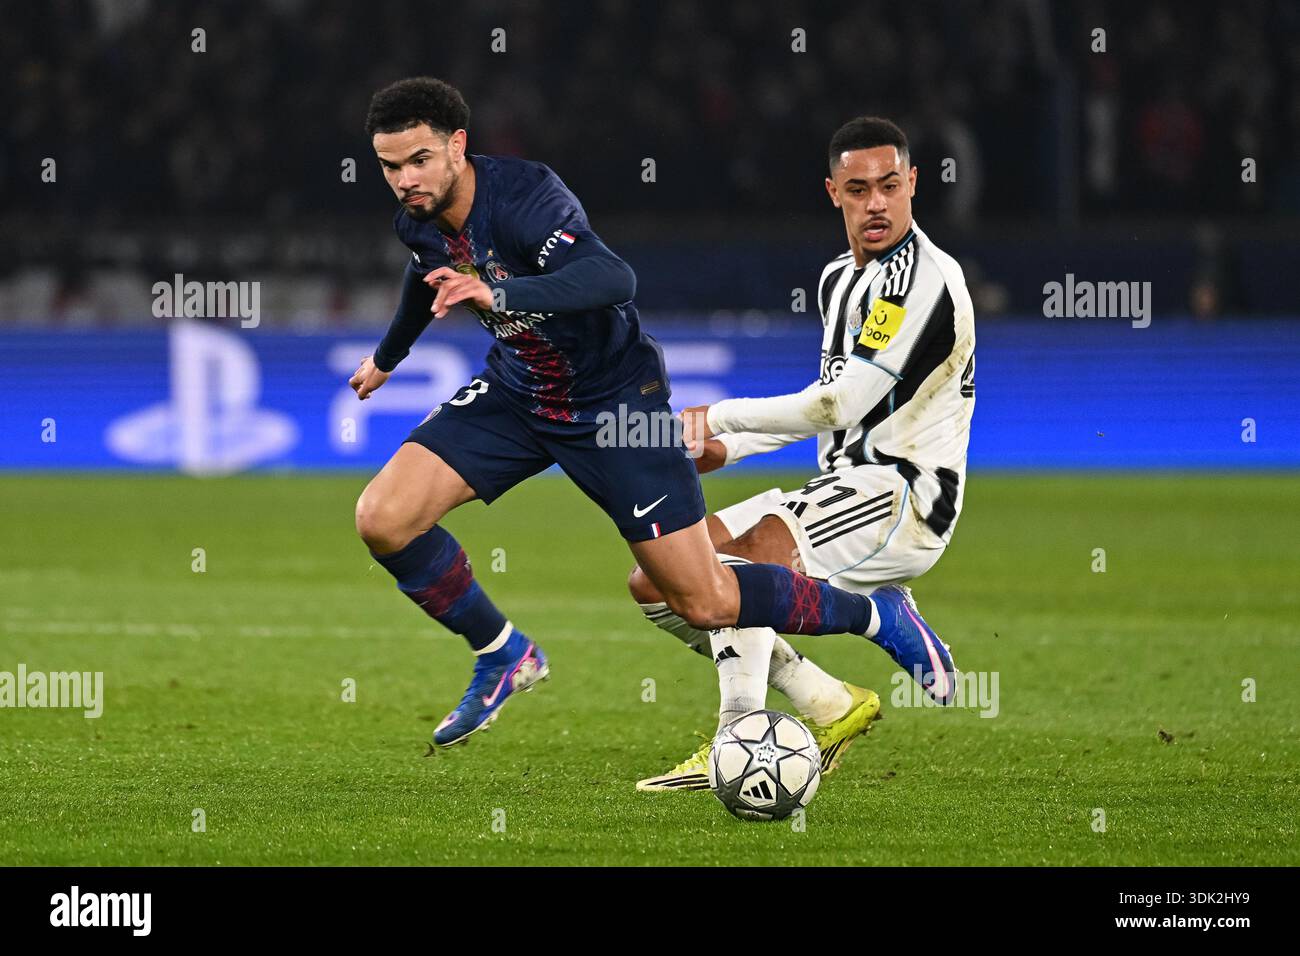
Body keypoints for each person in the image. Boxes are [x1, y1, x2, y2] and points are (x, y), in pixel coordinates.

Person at [348, 80, 953, 750]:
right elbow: (422, 270)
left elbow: (612, 280)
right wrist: (388, 358)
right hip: (519, 393)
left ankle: (875, 617)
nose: (405, 180)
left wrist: (497, 292)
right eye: (390, 166)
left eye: (420, 160)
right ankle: (501, 652)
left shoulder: (525, 197)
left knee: (706, 600)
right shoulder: (419, 216)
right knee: (384, 517)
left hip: (612, 401)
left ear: (458, 146)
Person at [633, 117, 973, 790]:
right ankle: (828, 702)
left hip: (906, 495)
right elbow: (823, 400)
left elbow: (838, 406)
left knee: (747, 562)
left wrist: (719, 415)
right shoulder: (838, 281)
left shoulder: (923, 283)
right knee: (664, 578)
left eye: (888, 186)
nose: (875, 203)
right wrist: (721, 450)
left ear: (913, 185)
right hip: (844, 485)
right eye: (857, 189)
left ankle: (740, 736)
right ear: (833, 193)